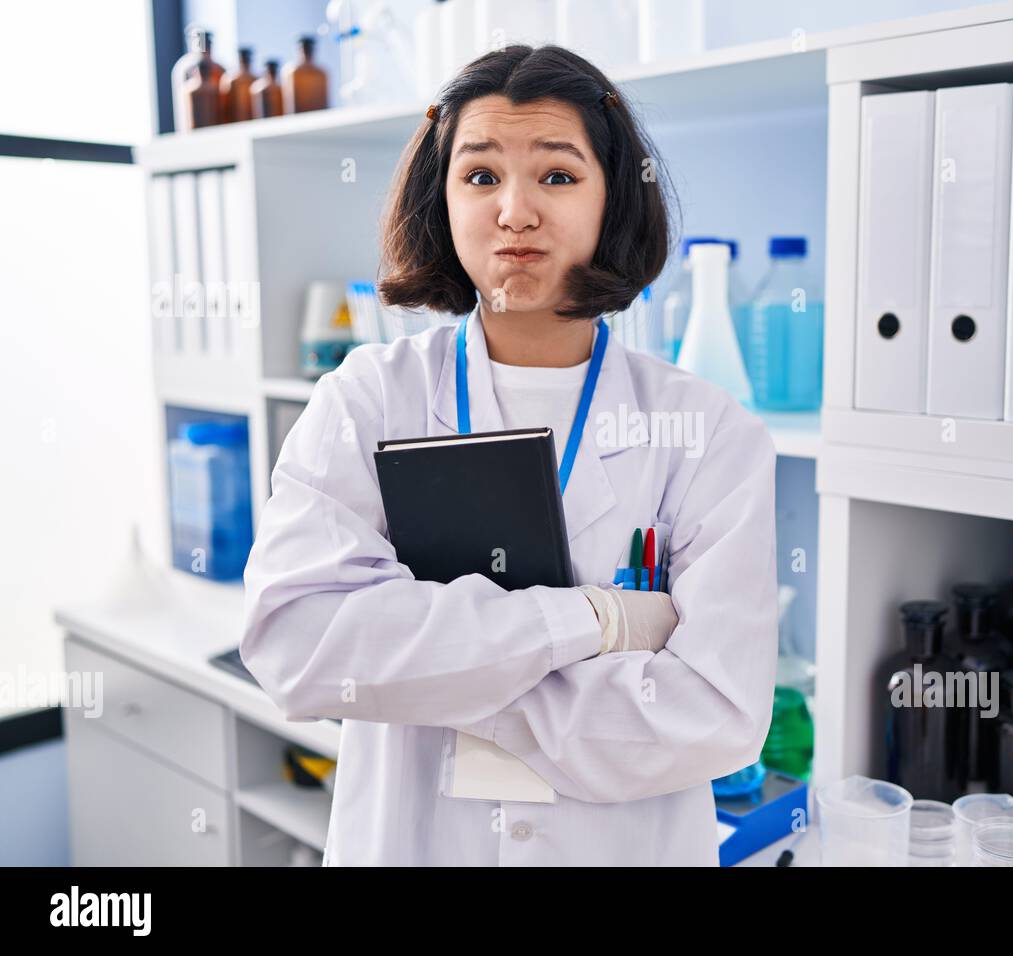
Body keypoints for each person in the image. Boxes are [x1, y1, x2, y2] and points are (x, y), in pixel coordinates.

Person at [240, 43, 778, 866]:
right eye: (481, 175)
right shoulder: (367, 399)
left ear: (614, 199)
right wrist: (595, 622)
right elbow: (296, 643)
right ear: (442, 197)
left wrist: (432, 671)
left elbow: (715, 714)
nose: (515, 211)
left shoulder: (709, 431)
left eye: (558, 176)